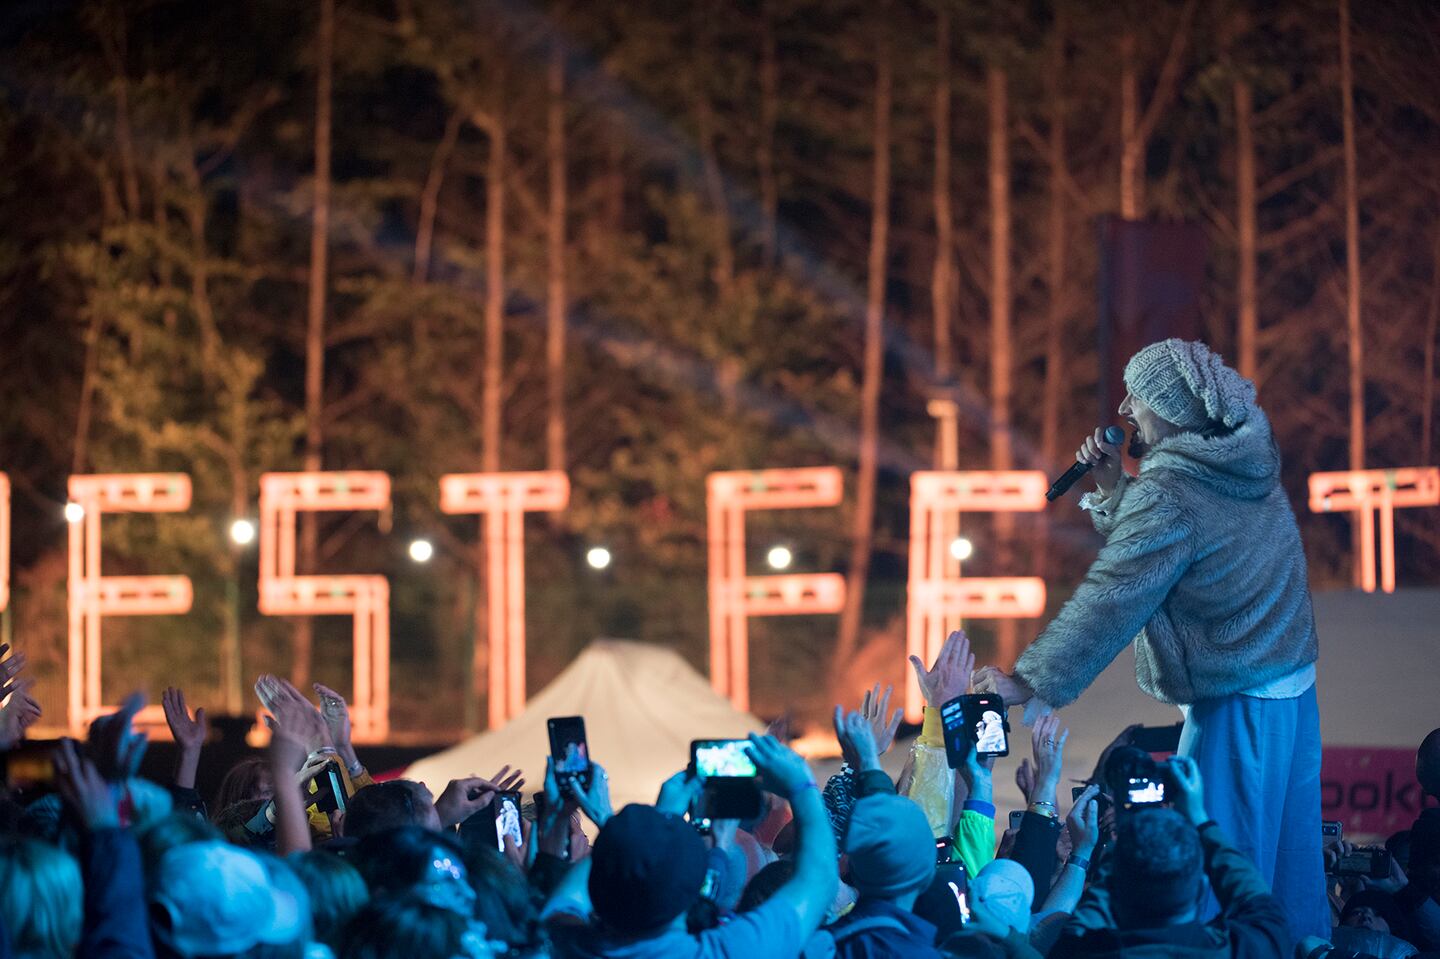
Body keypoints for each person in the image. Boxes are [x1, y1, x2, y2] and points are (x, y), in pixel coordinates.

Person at [977, 338, 1324, 941]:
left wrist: (1029, 681)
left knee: (1217, 869)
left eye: (1136, 395)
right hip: (1289, 687)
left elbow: (1115, 597)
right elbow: (1182, 543)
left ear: (1170, 408)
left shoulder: (1172, 494)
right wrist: (1117, 490)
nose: (1124, 408)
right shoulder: (1239, 464)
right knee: (1289, 872)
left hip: (1237, 699)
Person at [543, 733, 838, 959]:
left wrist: (657, 820)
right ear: (693, 891)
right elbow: (819, 878)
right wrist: (801, 785)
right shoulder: (730, 950)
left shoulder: (556, 941)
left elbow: (584, 883)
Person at [1049, 755, 1290, 959]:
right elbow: (1255, 898)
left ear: (1115, 891)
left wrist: (1109, 842)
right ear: (1201, 889)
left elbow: (1088, 915)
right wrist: (1200, 819)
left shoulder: (1074, 950)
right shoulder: (1253, 948)